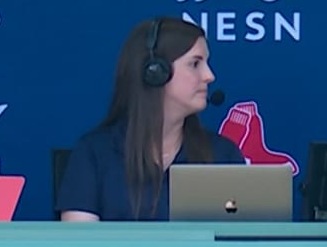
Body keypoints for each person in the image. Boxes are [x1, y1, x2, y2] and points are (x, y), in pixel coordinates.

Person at [56, 17, 246, 221]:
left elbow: (244, 244)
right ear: (155, 72)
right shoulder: (94, 153)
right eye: (195, 64)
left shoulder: (223, 154)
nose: (209, 76)